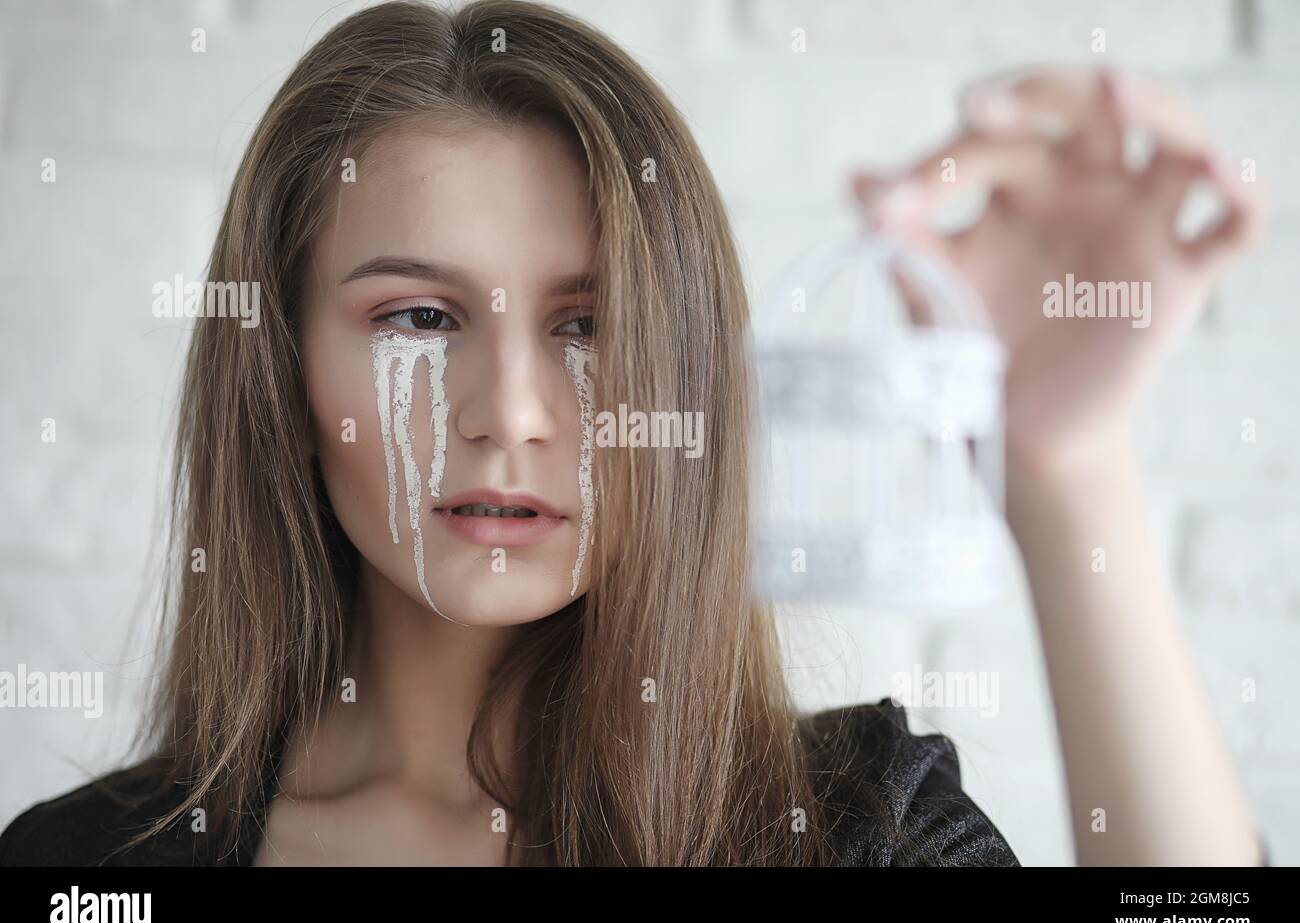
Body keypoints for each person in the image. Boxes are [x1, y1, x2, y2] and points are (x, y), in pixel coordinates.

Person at [0, 0, 1268, 866]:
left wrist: (1066, 470)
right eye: (422, 315)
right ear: (279, 360)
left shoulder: (849, 828)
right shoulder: (80, 865)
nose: (508, 413)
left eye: (591, 326)